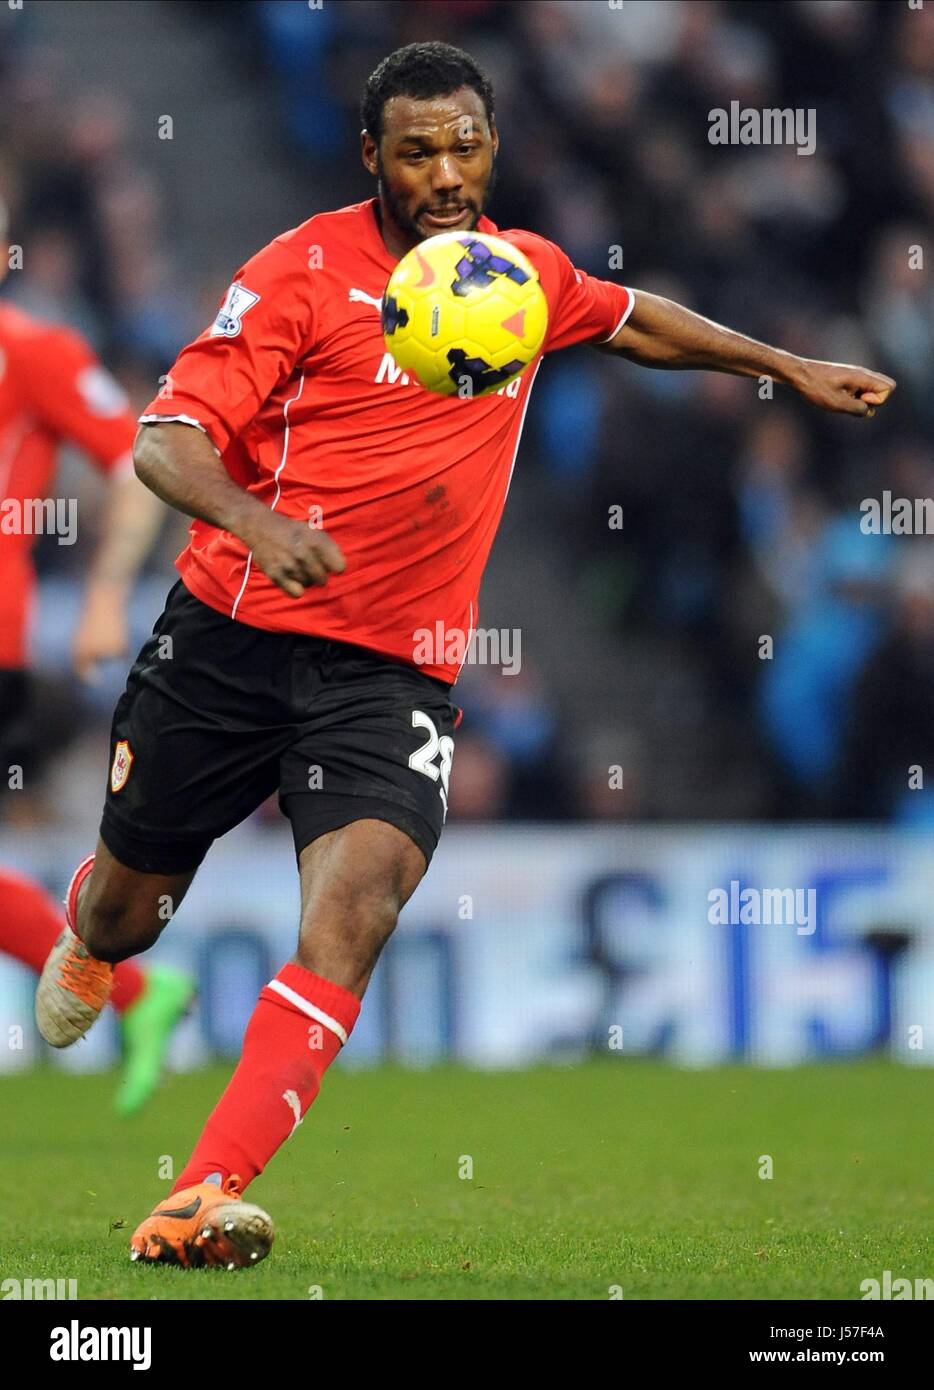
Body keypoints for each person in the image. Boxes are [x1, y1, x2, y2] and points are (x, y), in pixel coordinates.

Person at [34, 42, 895, 1270]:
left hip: (391, 673)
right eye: (418, 150)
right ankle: (89, 923)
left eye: (467, 145)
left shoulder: (517, 272)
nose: (447, 174)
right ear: (372, 156)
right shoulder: (295, 274)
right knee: (126, 915)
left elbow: (627, 318)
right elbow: (166, 440)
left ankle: (202, 1189)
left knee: (359, 904)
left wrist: (778, 364)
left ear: (493, 144)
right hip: (230, 640)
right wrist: (257, 520)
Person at [0, 197, 194, 1115]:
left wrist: (109, 593)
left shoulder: (36, 353)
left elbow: (140, 461)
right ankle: (133, 991)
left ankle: (129, 989)